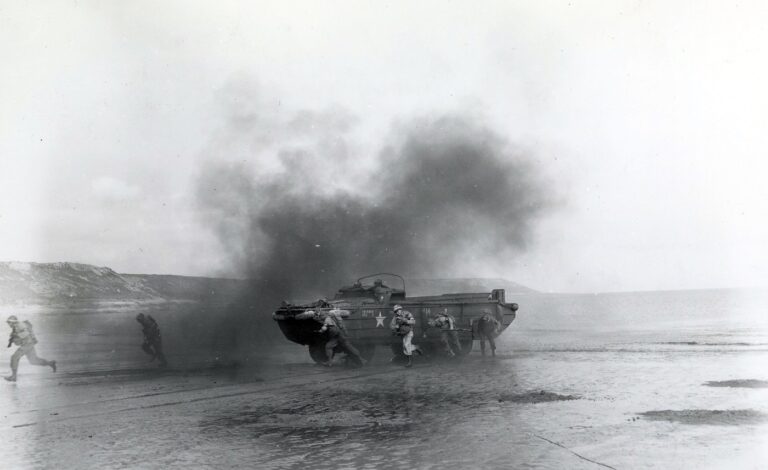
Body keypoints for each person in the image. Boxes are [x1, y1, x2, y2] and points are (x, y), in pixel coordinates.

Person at [5, 316, 56, 382]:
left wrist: (15, 336)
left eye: (9, 322)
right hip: (29, 344)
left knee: (14, 357)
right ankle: (50, 363)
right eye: (8, 323)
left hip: (27, 344)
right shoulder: (16, 327)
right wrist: (13, 338)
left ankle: (13, 377)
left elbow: (24, 335)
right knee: (33, 361)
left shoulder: (20, 326)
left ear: (13, 322)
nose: (8, 324)